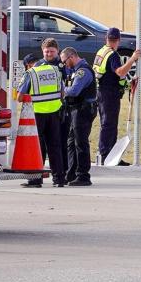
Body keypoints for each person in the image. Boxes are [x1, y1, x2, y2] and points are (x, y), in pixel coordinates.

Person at [19, 38, 67, 187]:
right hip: (54, 112)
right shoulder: (56, 71)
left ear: (57, 51)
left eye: (51, 51)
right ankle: (59, 179)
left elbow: (20, 96)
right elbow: (62, 92)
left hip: (37, 114)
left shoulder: (32, 72)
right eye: (47, 51)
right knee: (55, 147)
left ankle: (35, 180)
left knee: (37, 148)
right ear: (42, 51)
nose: (49, 54)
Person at [94, 28, 141, 166]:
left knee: (108, 124)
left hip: (103, 91)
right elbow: (120, 72)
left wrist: (127, 83)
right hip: (108, 93)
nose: (113, 42)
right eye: (113, 40)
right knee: (109, 125)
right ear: (117, 40)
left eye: (113, 40)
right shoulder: (112, 55)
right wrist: (132, 59)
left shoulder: (101, 51)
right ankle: (106, 155)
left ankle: (110, 154)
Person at [61, 47, 97, 186]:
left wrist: (62, 90)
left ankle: (83, 175)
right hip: (78, 109)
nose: (64, 64)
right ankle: (71, 174)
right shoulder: (76, 70)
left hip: (83, 110)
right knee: (71, 142)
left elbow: (75, 91)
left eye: (65, 61)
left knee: (80, 142)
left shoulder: (83, 71)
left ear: (71, 57)